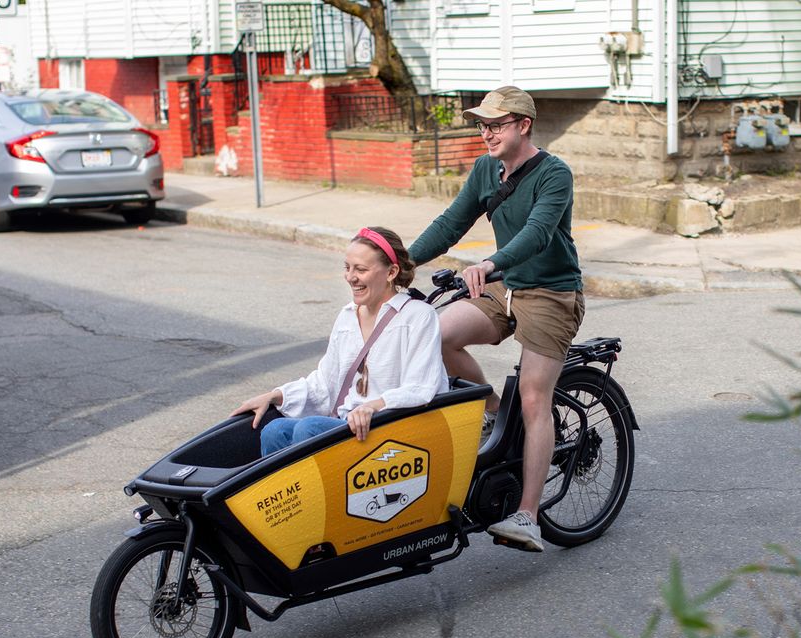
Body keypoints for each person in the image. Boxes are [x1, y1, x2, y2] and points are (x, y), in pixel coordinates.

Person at [408, 85, 584, 554]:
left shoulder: (554, 174)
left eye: (495, 125)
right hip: (503, 287)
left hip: (550, 291)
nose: (486, 133)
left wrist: (489, 263)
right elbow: (451, 223)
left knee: (532, 397)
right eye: (481, 125)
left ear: (523, 125)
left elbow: (538, 233)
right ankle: (490, 415)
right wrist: (398, 263)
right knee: (435, 334)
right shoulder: (487, 168)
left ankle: (527, 514)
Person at [232, 227, 448, 455]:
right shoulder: (347, 316)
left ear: (391, 272)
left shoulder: (418, 316)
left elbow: (421, 388)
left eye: (361, 269)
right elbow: (325, 384)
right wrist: (275, 395)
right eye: (347, 268)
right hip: (349, 424)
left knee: (310, 428)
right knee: (274, 430)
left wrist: (373, 406)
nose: (350, 277)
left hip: (390, 427)